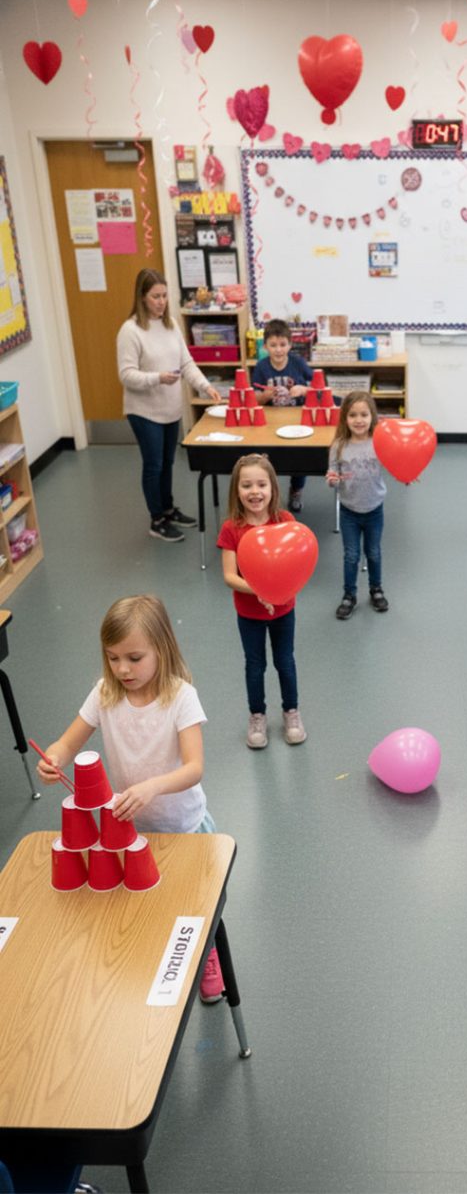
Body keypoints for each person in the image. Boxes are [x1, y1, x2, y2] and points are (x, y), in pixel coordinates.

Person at [35, 594, 224, 1004]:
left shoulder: (181, 697)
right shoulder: (104, 693)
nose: (123, 669)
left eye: (134, 658)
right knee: (140, 903)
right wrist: (53, 759)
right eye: (114, 658)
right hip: (128, 830)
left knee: (192, 905)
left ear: (162, 649)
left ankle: (208, 955)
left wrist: (153, 786)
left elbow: (194, 768)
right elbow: (67, 742)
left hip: (184, 827)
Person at [117, 268, 221, 543]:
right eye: (155, 297)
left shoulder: (171, 325)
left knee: (168, 462)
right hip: (144, 412)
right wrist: (157, 378)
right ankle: (157, 520)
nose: (161, 302)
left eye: (164, 295)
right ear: (142, 297)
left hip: (170, 409)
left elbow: (186, 363)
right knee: (153, 465)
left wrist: (205, 386)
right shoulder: (130, 331)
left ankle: (168, 508)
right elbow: (126, 374)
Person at [217, 453, 306, 750]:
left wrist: (279, 591)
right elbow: (230, 575)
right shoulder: (232, 528)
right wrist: (259, 592)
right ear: (236, 490)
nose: (254, 492)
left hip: (284, 610)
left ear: (272, 488)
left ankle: (291, 713)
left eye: (261, 484)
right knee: (255, 666)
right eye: (246, 486)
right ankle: (257, 716)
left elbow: (296, 563)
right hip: (249, 613)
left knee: (285, 662)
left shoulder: (286, 521)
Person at [326, 390, 388, 620]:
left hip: (374, 509)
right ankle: (349, 595)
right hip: (349, 511)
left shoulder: (379, 442)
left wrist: (407, 474)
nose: (359, 420)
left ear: (372, 416)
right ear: (345, 418)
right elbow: (333, 475)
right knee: (351, 555)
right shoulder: (339, 446)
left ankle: (376, 589)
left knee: (373, 552)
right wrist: (332, 480)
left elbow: (394, 463)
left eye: (364, 414)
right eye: (353, 415)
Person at [251, 319, 314, 513]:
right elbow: (254, 399)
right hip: (270, 423)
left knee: (300, 460)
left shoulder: (298, 363)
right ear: (265, 346)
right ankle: (270, 493)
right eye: (273, 345)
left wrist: (303, 389)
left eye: (282, 345)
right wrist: (264, 396)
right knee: (269, 460)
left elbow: (318, 389)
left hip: (297, 421)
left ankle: (296, 491)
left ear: (290, 344)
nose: (278, 350)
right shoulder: (261, 367)